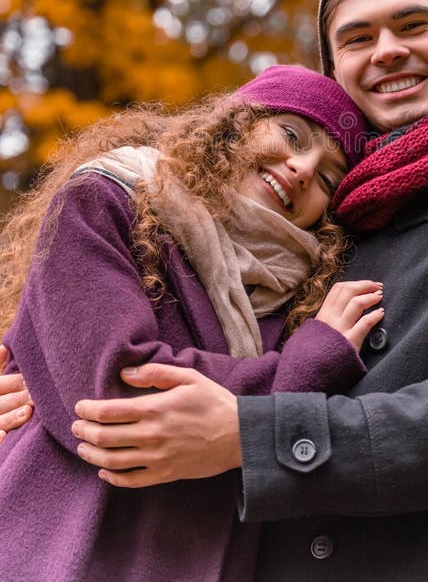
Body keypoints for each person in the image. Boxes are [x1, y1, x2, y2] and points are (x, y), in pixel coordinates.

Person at [5, 0, 428, 581]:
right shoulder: (310, 227)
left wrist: (251, 435)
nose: (387, 49)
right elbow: (121, 357)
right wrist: (41, 372)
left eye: (412, 25)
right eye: (358, 37)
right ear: (336, 70)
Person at [0, 64, 383, 581]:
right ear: (237, 123)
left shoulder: (303, 298)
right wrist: (303, 369)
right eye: (292, 135)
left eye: (328, 177)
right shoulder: (105, 199)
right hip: (62, 551)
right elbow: (119, 393)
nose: (301, 168)